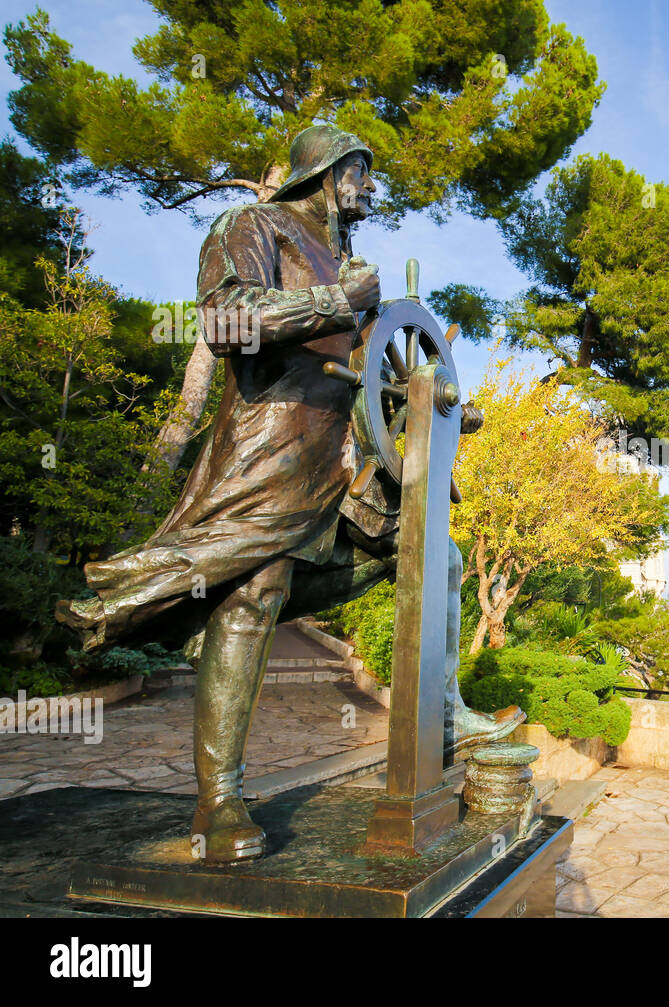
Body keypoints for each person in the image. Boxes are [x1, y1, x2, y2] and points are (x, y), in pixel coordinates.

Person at [58, 124, 522, 863]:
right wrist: (337, 300)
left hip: (344, 469)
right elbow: (224, 320)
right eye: (360, 172)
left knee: (436, 557)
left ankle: (443, 717)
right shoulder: (254, 226)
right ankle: (220, 800)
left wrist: (432, 404)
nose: (368, 188)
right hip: (269, 454)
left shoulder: (350, 265)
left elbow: (376, 378)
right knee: (255, 589)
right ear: (325, 172)